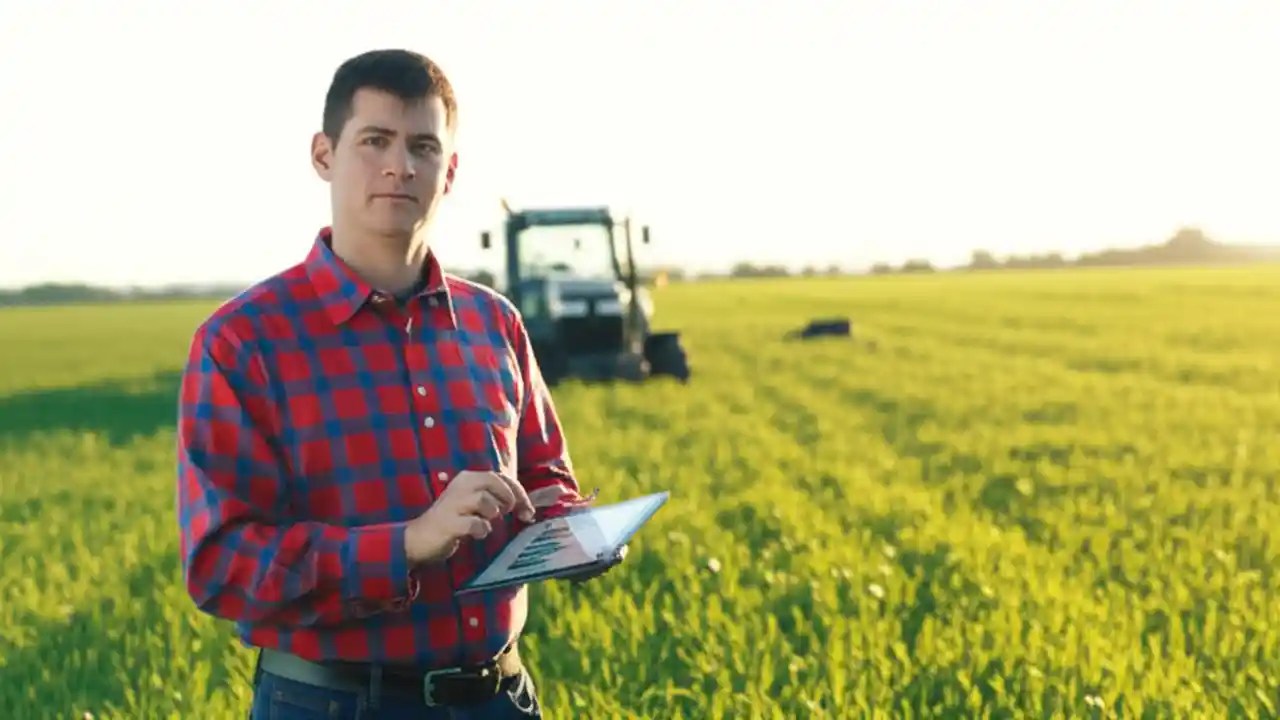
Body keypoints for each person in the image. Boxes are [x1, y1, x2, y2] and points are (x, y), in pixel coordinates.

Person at [175, 48, 624, 718]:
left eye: (422, 145)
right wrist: (407, 544)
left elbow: (544, 476)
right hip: (333, 704)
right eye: (374, 141)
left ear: (450, 171)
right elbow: (222, 563)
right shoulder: (244, 342)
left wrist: (572, 531)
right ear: (324, 155)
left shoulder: (493, 321)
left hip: (501, 696)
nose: (400, 166)